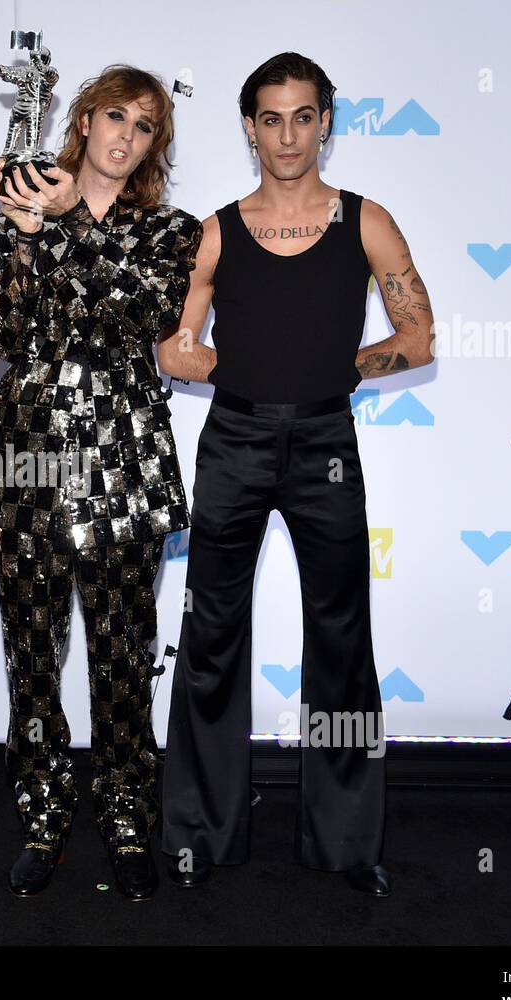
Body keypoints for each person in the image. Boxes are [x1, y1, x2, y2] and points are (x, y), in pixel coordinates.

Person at [157, 52, 435, 897]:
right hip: (234, 439)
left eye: (303, 116)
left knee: (343, 639)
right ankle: (201, 836)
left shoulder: (368, 221)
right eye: (270, 118)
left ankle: (348, 843)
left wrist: (332, 367)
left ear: (325, 123)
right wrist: (226, 364)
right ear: (249, 126)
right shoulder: (215, 230)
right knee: (210, 637)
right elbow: (176, 344)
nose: (287, 134)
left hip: (325, 445)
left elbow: (417, 338)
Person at [0, 65, 203, 901]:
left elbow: (145, 314)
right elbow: (5, 331)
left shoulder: (173, 232)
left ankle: (124, 821)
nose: (125, 135)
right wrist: (20, 235)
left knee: (122, 655)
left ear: (154, 147)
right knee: (31, 655)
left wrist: (62, 219)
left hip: (125, 461)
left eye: (144, 127)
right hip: (27, 455)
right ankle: (42, 818)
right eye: (114, 115)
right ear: (82, 120)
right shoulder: (25, 215)